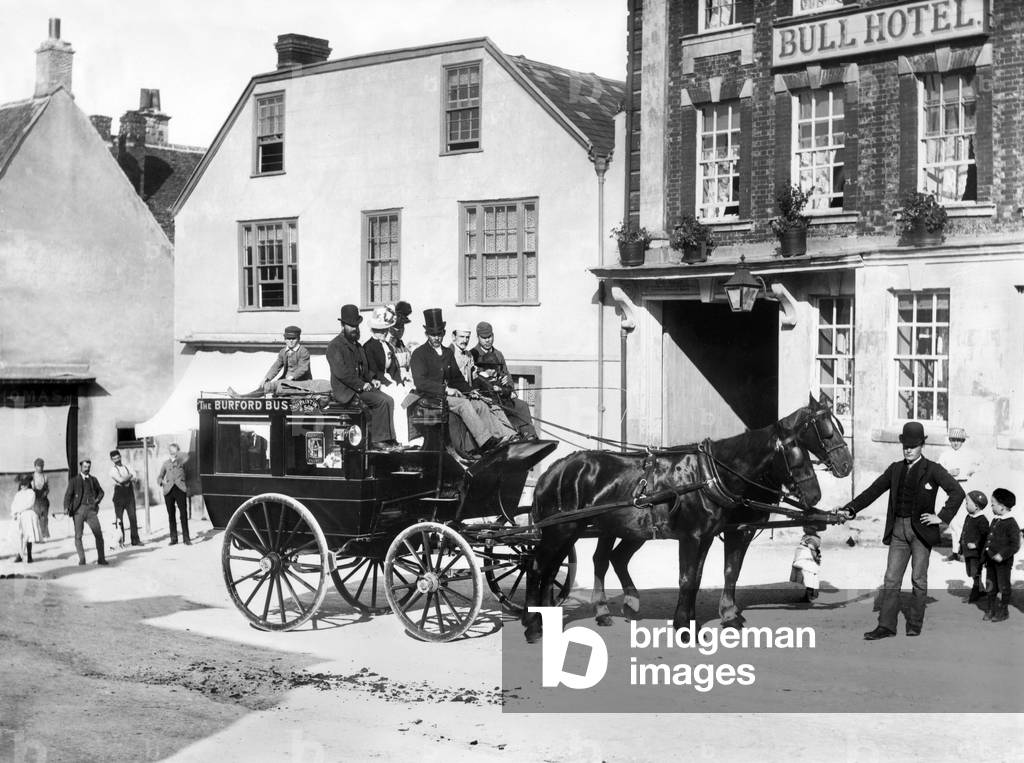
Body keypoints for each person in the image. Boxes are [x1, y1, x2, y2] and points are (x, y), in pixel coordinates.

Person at [840, 421, 964, 639]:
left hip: (921, 533)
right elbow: (872, 491)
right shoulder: (895, 468)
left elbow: (957, 492)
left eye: (913, 446)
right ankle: (886, 626)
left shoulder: (933, 469)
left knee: (918, 579)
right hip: (898, 530)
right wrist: (850, 509)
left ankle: (915, 623)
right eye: (905, 445)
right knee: (891, 579)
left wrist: (941, 518)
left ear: (921, 446)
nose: (908, 449)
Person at [410, 308, 516, 455]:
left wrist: (470, 390)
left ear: (443, 333)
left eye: (439, 334)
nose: (436, 338)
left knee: (480, 404)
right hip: (430, 398)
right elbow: (420, 383)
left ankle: (505, 437)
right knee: (463, 403)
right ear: (426, 334)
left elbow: (457, 378)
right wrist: (446, 390)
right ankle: (485, 442)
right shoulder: (419, 354)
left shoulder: (447, 353)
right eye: (432, 334)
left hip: (448, 396)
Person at [327, 304, 398, 449]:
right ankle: (378, 440)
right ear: (342, 326)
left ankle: (389, 439)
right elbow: (342, 373)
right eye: (351, 326)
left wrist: (372, 379)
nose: (355, 329)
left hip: (358, 389)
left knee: (389, 399)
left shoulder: (357, 346)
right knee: (380, 401)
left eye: (357, 326)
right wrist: (361, 384)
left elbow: (364, 369)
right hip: (346, 392)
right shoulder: (335, 346)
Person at [471, 321, 538, 439]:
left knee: (522, 405)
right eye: (484, 338)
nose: (487, 340)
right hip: (487, 396)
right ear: (478, 337)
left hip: (503, 393)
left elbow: (507, 374)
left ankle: (529, 435)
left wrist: (510, 388)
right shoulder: (473, 354)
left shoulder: (498, 354)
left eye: (490, 337)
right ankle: (511, 436)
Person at [365, 306, 410, 443]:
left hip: (391, 381)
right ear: (374, 330)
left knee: (406, 395)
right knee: (395, 398)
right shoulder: (369, 347)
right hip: (380, 383)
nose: (384, 332)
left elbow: (394, 368)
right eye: (380, 330)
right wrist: (389, 383)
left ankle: (408, 438)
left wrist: (399, 382)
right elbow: (373, 370)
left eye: (385, 329)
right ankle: (395, 437)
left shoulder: (389, 346)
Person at [228, 325, 312, 397]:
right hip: (285, 382)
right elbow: (276, 366)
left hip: (301, 383)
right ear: (284, 339)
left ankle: (243, 397)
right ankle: (243, 397)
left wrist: (292, 376)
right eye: (288, 338)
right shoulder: (283, 352)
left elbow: (303, 368)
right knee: (266, 385)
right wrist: (266, 378)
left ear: (298, 339)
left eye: (293, 338)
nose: (290, 341)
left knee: (272, 387)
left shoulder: (303, 351)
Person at [938, 426, 978, 562]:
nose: (956, 443)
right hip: (950, 488)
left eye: (958, 440)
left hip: (964, 486)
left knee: (962, 519)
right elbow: (938, 470)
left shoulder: (969, 455)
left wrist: (963, 472)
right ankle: (955, 551)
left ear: (963, 441)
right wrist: (949, 472)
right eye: (953, 440)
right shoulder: (945, 455)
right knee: (953, 521)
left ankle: (963, 551)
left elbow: (975, 468)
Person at [982, 488, 1019, 623]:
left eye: (993, 504)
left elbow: (1015, 545)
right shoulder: (995, 520)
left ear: (1002, 507)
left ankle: (1003, 611)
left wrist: (1002, 555)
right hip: (991, 560)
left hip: (1003, 562)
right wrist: (984, 556)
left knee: (1003, 586)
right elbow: (988, 540)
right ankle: (991, 609)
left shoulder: (1011, 523)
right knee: (990, 585)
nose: (991, 506)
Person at [64, 459, 108, 566]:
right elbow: (68, 495)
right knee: (78, 536)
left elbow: (101, 492)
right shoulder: (74, 481)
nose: (87, 469)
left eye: (88, 467)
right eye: (85, 467)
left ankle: (101, 559)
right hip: (78, 511)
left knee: (98, 534)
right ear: (81, 467)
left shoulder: (93, 480)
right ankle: (82, 559)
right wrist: (66, 507)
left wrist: (96, 500)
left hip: (91, 511)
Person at [959, 489, 989, 603]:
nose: (965, 505)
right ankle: (980, 590)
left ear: (976, 506)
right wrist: (960, 548)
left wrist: (976, 544)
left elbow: (986, 537)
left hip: (976, 554)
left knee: (975, 573)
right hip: (968, 552)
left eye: (967, 503)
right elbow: (964, 532)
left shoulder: (982, 520)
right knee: (972, 573)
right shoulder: (969, 517)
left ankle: (974, 595)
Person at [158, 443, 190, 546]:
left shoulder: (183, 462)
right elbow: (160, 476)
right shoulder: (165, 463)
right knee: (171, 515)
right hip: (169, 491)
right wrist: (162, 482)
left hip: (180, 489)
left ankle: (186, 538)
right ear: (169, 452)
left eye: (176, 452)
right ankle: (174, 538)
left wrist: (185, 484)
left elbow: (189, 473)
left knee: (183, 514)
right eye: (172, 452)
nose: (174, 454)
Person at [110, 450, 142, 546]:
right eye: (114, 459)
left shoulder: (128, 466)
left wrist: (125, 478)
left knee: (133, 518)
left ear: (120, 457)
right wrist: (129, 476)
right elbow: (120, 480)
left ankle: (135, 540)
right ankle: (121, 542)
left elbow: (135, 479)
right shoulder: (112, 470)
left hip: (129, 495)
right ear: (112, 460)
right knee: (119, 520)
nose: (117, 460)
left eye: (118, 457)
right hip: (119, 497)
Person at [11, 475, 42, 563]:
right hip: (19, 516)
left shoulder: (31, 493)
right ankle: (20, 555)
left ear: (28, 484)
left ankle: (29, 556)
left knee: (28, 536)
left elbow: (29, 504)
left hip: (28, 515)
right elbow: (14, 504)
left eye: (25, 484)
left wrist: (19, 509)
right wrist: (14, 512)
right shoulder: (18, 494)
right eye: (22, 484)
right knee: (20, 536)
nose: (23, 486)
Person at [790, 525, 822, 602]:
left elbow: (813, 550)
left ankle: (808, 597)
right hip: (806, 561)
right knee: (808, 579)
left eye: (806, 527)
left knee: (809, 579)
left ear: (813, 529)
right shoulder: (808, 537)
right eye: (804, 527)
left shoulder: (812, 539)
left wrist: (816, 559)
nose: (804, 529)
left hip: (808, 561)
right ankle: (808, 596)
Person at [31, 457, 50, 541]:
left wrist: (46, 492)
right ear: (35, 466)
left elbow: (48, 488)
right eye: (38, 466)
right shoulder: (32, 477)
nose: (40, 468)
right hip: (35, 500)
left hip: (44, 500)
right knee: (35, 517)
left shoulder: (45, 476)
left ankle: (44, 535)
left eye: (42, 466)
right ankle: (36, 536)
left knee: (44, 517)